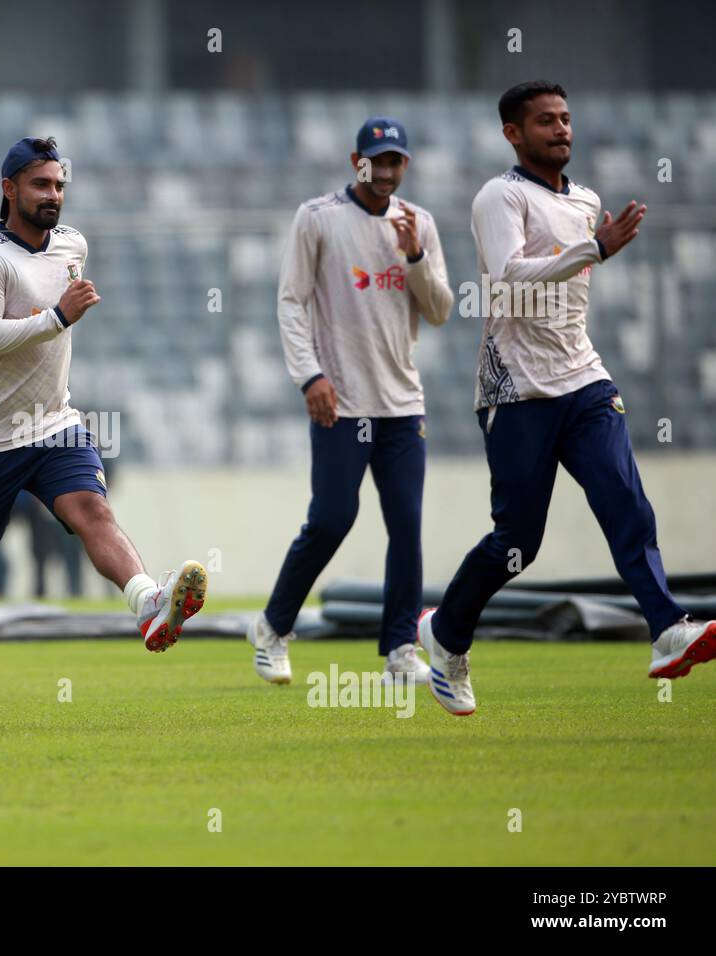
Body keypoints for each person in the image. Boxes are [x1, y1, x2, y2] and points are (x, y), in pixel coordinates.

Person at [0, 137, 209, 726]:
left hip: (55, 420)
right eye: (41, 185)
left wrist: (59, 316)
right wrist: (58, 316)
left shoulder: (72, 245)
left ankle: (148, 602)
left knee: (92, 509)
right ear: (9, 189)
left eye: (59, 185)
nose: (53, 195)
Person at [419, 81, 716, 716]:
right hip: (517, 388)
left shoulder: (587, 201)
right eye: (546, 121)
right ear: (513, 134)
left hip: (584, 380)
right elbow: (507, 279)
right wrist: (594, 247)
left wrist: (592, 242)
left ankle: (668, 632)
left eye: (566, 118)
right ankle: (444, 634)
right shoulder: (499, 197)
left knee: (625, 501)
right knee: (518, 543)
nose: (561, 129)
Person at [254, 118, 453, 687]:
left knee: (407, 524)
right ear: (355, 161)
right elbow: (291, 302)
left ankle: (398, 652)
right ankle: (272, 629)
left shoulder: (420, 225)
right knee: (333, 519)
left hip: (402, 404)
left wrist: (415, 257)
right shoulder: (318, 217)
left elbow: (439, 311)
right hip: (340, 401)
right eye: (376, 160)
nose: (385, 171)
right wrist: (309, 376)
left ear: (405, 166)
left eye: (395, 161)